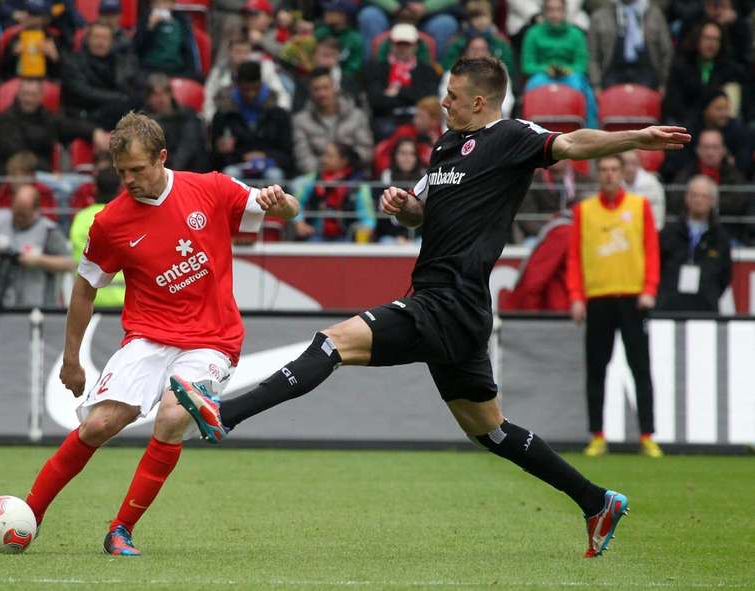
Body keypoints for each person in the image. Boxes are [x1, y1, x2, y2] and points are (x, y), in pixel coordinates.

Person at [172, 57, 691, 557]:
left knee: (331, 343)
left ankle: (225, 414)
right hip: (454, 310)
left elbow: (574, 143)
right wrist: (405, 206)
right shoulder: (445, 146)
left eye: (453, 96)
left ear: (480, 101)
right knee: (491, 430)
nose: (444, 103)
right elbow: (420, 213)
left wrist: (636, 137)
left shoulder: (511, 137)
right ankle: (596, 501)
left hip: (448, 300)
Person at [0, 111, 299, 556]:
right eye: (121, 172)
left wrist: (282, 202)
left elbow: (287, 209)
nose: (129, 181)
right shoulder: (110, 223)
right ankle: (26, 517)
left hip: (212, 339)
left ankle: (121, 530)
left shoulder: (211, 188)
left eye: (138, 170)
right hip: (147, 338)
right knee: (99, 425)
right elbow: (84, 289)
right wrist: (71, 359)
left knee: (173, 416)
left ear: (162, 157)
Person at [566, 154, 664, 459]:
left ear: (623, 173)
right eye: (604, 170)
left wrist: (649, 289)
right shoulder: (584, 211)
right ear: (598, 175)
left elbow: (651, 250)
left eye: (614, 170)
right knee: (596, 370)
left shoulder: (639, 206)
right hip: (598, 298)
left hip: (633, 298)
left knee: (640, 368)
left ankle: (647, 435)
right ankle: (597, 435)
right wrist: (576, 296)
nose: (609, 175)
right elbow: (574, 256)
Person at [0, 183, 73, 310]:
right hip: (0, 303)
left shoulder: (48, 230)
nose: (18, 219)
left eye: (23, 215)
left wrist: (37, 261)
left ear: (36, 211)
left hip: (36, 307)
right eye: (16, 213)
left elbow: (68, 264)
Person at [657, 175, 732, 312]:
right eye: (694, 195)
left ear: (713, 201)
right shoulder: (668, 233)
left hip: (705, 309)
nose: (698, 200)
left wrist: (709, 292)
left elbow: (725, 277)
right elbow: (657, 266)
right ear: (686, 198)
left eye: (704, 196)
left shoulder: (720, 238)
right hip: (669, 308)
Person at [210, 60, 293, 180]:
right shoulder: (224, 113)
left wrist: (265, 156)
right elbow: (215, 156)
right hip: (236, 164)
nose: (251, 94)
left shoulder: (278, 113)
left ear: (260, 84)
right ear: (238, 86)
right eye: (246, 89)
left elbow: (287, 154)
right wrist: (224, 150)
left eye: (255, 89)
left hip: (270, 165)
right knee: (230, 174)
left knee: (274, 175)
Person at [521, 0, 598, 127]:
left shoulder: (576, 34)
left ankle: (589, 130)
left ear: (565, 12)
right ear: (544, 13)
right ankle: (528, 131)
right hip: (542, 75)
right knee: (532, 85)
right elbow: (527, 65)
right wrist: (546, 69)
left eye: (558, 10)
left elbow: (581, 65)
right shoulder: (532, 33)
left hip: (570, 75)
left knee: (581, 86)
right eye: (550, 10)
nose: (555, 14)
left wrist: (566, 70)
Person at [364, 23, 440, 139]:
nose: (402, 49)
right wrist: (412, 96)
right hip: (387, 118)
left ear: (415, 46)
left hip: (419, 118)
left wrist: (399, 91)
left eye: (407, 45)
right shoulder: (376, 68)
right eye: (399, 44)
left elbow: (430, 98)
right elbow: (375, 100)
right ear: (391, 45)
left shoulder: (428, 71)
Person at [292, 67, 373, 174]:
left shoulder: (356, 116)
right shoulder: (300, 121)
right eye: (316, 89)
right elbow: (303, 158)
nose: (322, 93)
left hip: (353, 175)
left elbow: (367, 150)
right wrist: (326, 166)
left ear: (335, 87)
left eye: (325, 87)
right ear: (310, 91)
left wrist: (345, 161)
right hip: (317, 179)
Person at [292, 142, 375, 242]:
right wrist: (299, 223)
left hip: (346, 238)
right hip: (316, 235)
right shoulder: (314, 179)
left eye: (329, 156)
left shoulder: (358, 185)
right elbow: (295, 203)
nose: (324, 160)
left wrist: (365, 230)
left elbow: (367, 219)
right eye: (324, 155)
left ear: (344, 161)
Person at [587, 0, 672, 94]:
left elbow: (666, 51)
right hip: (613, 70)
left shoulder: (654, 14)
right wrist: (596, 85)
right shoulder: (601, 16)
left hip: (645, 70)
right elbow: (592, 55)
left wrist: (663, 83)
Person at [69, 167, 125, 308]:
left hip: (87, 298)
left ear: (95, 189)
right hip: (123, 299)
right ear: (120, 188)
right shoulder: (125, 217)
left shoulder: (81, 217)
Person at [143, 73, 209, 172]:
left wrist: (172, 173)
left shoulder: (188, 116)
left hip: (189, 171)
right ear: (148, 99)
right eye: (155, 94)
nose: (160, 98)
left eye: (164, 93)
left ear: (170, 94)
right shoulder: (144, 122)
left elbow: (189, 146)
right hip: (159, 172)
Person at [621, 150, 666, 230]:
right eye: (625, 163)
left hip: (646, 230)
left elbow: (658, 215)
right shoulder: (615, 183)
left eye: (633, 163)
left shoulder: (652, 184)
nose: (629, 168)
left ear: (639, 163)